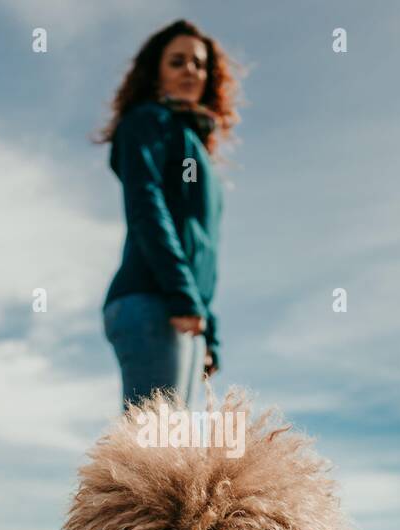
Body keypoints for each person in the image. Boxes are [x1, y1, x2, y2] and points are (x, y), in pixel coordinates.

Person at [94, 20, 241, 411]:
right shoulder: (147, 122)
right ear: (155, 72)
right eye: (177, 61)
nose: (190, 70)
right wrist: (181, 294)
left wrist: (210, 334)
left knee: (172, 454)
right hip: (152, 300)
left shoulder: (195, 145)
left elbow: (202, 246)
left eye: (198, 63)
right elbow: (146, 205)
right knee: (153, 455)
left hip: (182, 307)